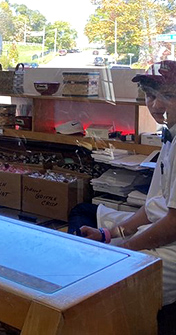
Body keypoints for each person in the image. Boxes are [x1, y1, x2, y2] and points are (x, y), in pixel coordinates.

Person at [69, 60, 176, 309]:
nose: (157, 105)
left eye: (168, 96)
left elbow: (172, 223)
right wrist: (109, 235)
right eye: (150, 96)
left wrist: (124, 248)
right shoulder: (170, 137)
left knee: (94, 284)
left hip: (171, 247)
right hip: (161, 233)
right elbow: (154, 207)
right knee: (84, 218)